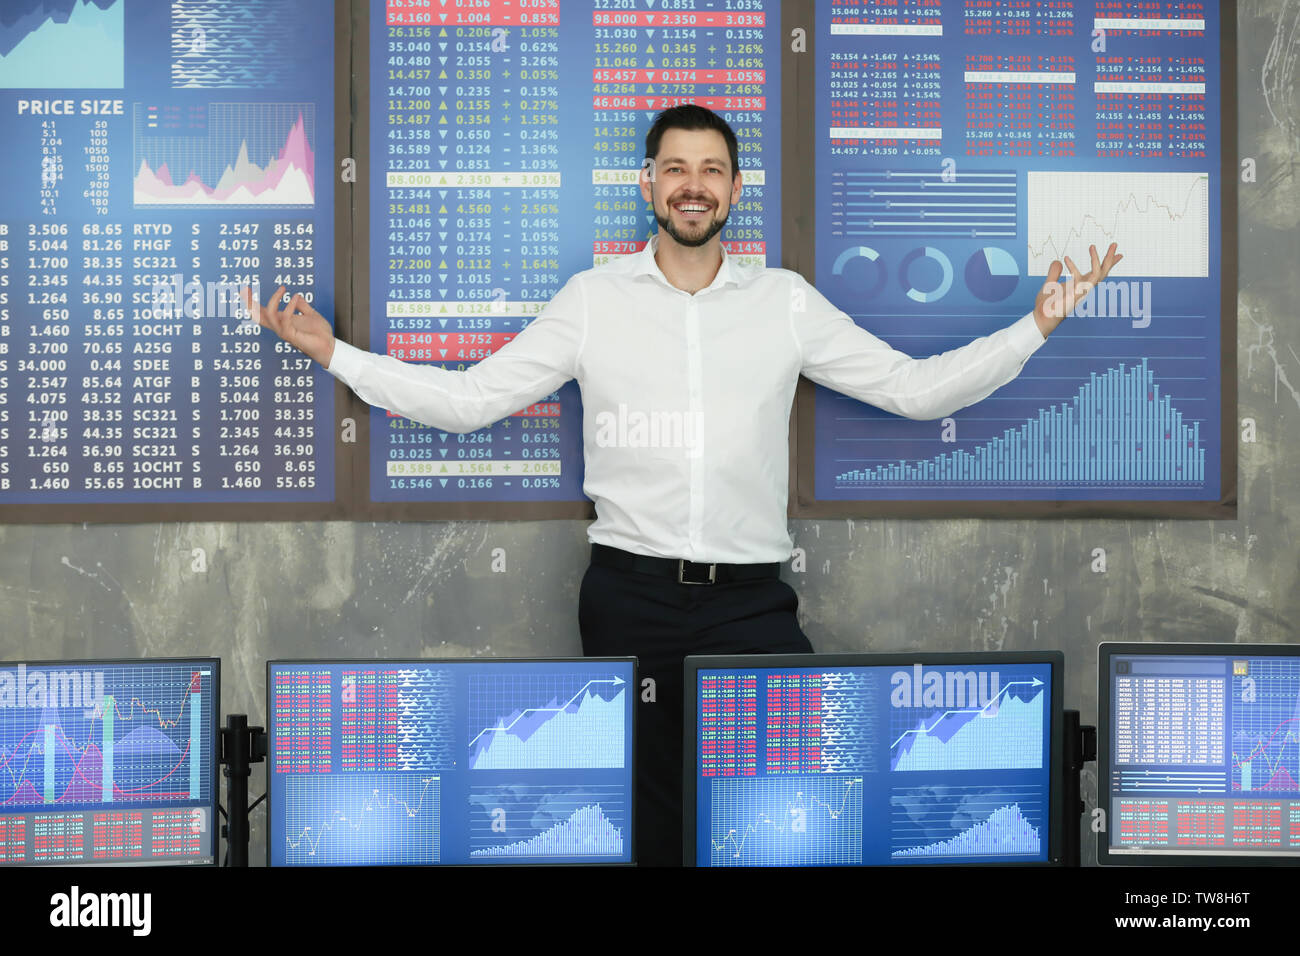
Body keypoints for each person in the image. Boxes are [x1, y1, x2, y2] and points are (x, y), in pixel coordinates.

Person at [243, 105, 1122, 866]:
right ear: (648, 185)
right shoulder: (593, 300)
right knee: (656, 822)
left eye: (711, 171)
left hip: (752, 603)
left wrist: (1034, 328)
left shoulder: (783, 301)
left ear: (736, 190)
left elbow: (912, 390)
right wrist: (335, 355)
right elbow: (474, 401)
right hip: (631, 596)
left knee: (795, 814)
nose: (692, 186)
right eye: (675, 170)